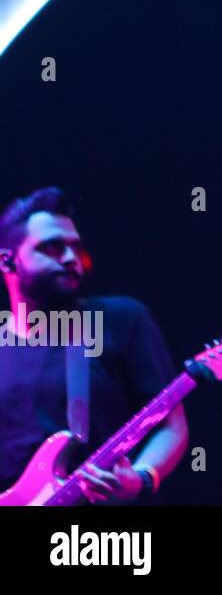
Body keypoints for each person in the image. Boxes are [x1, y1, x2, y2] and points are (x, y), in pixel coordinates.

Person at [0, 187, 188, 503]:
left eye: (75, 246)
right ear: (7, 261)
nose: (72, 258)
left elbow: (171, 426)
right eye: (53, 247)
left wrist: (142, 478)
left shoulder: (121, 319)